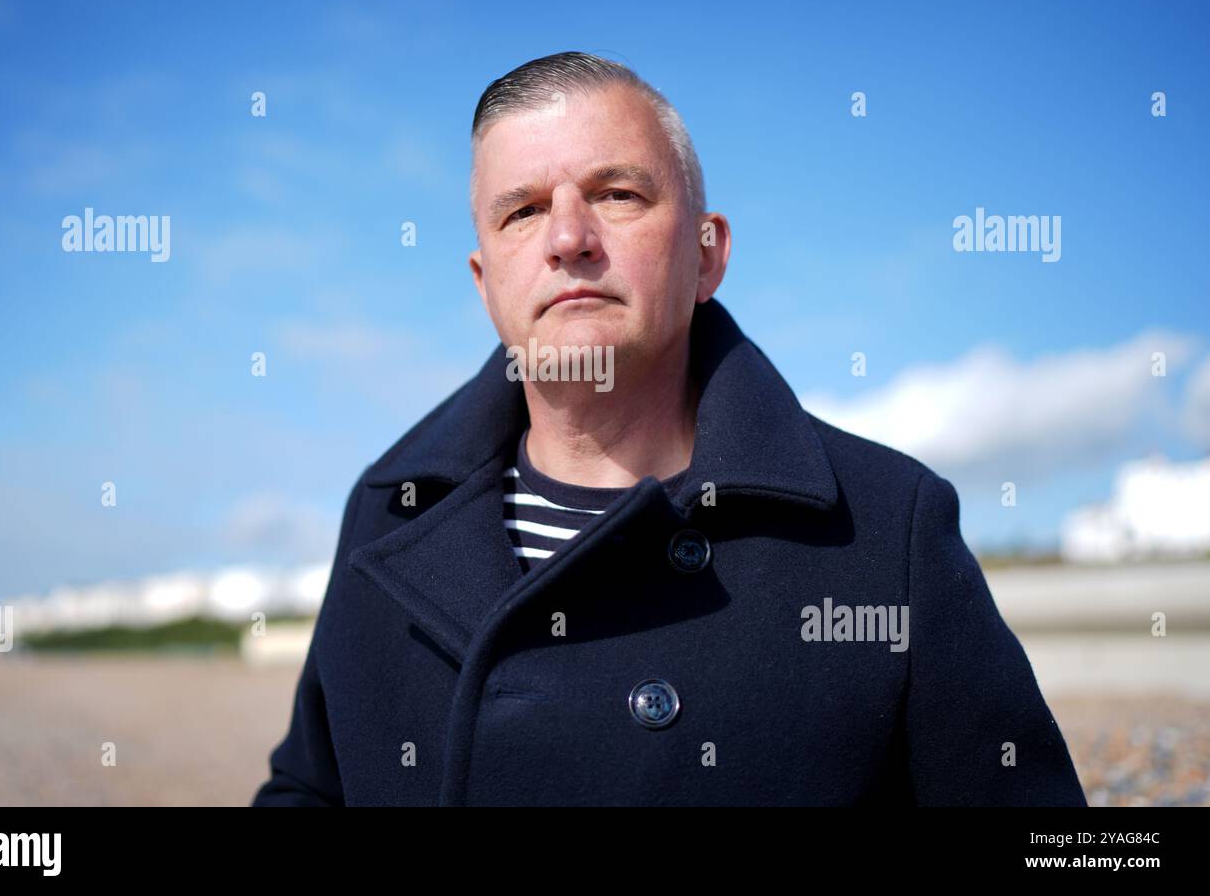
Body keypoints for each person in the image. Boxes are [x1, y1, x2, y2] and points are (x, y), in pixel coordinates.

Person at [252, 51, 1087, 806]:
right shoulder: (389, 509)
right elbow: (309, 791)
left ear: (707, 253)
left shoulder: (882, 524)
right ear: (484, 281)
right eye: (523, 212)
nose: (570, 239)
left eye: (618, 194)